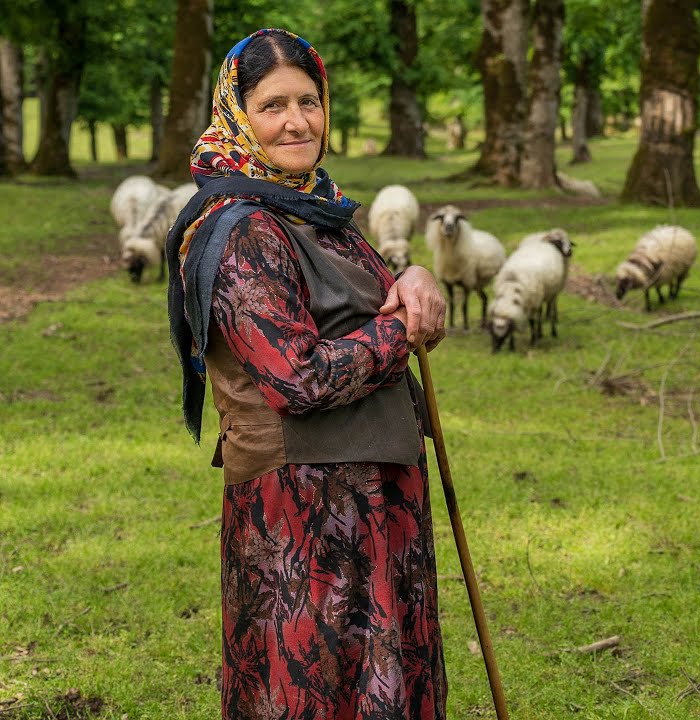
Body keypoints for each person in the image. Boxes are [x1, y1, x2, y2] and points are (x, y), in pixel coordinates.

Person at [165, 29, 448, 719]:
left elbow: (370, 293)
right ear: (237, 113)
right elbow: (297, 378)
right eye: (273, 105)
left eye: (310, 101)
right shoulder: (240, 228)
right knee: (311, 686)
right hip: (307, 508)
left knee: (382, 681)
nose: (297, 121)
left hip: (375, 489)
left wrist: (413, 276)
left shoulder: (317, 208)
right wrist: (400, 329)